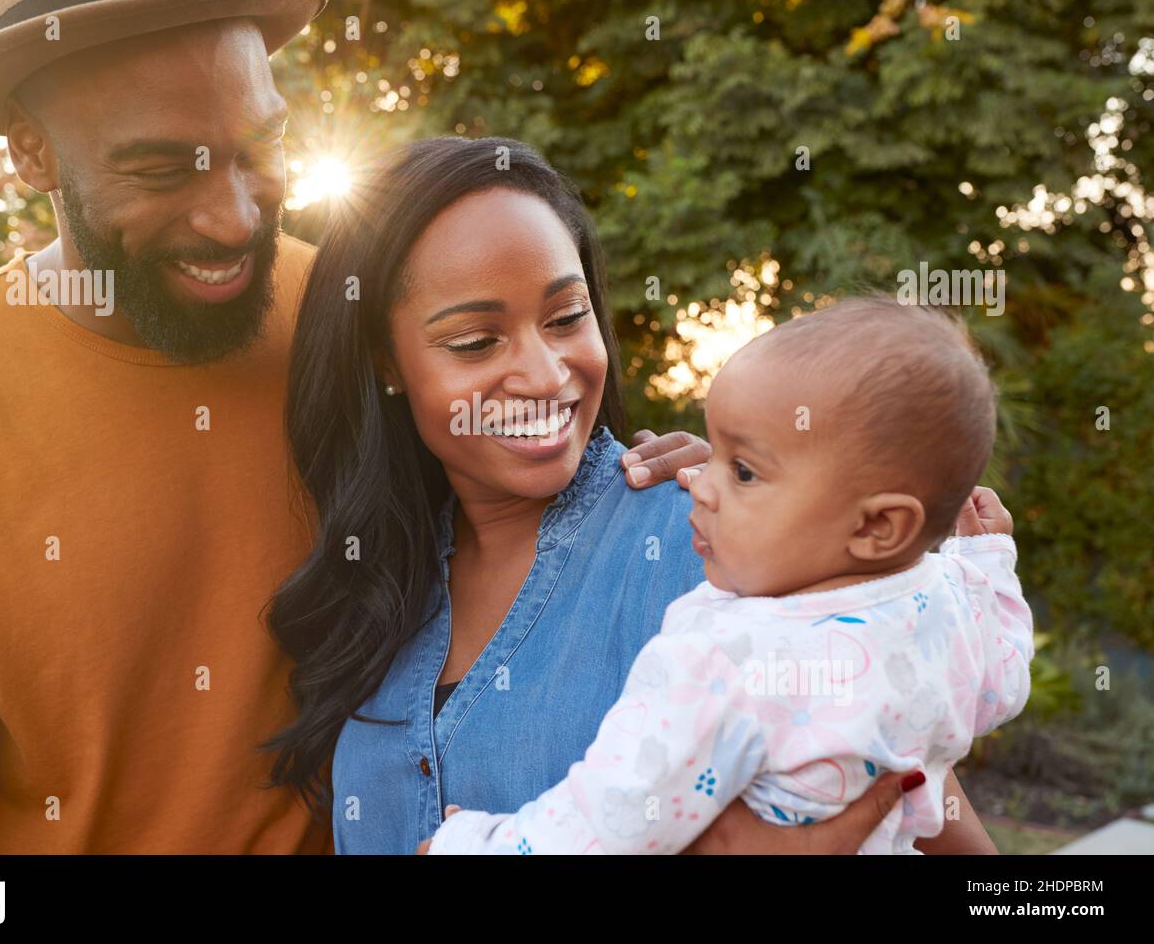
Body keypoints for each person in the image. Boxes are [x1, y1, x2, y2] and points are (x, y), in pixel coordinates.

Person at [0, 0, 702, 855]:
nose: (235, 218)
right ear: (32, 152)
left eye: (261, 149)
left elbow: (533, 491)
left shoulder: (363, 316)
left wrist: (738, 497)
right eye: (160, 169)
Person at [266, 139, 997, 854]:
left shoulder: (719, 557)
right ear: (385, 361)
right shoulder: (374, 573)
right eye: (475, 341)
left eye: (565, 317)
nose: (547, 374)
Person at [427, 298, 1034, 854]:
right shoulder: (945, 602)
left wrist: (470, 844)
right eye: (715, 452)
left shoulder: (730, 656)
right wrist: (985, 561)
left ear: (879, 527)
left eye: (743, 471)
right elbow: (1001, 684)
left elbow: (611, 824)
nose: (700, 481)